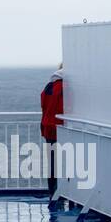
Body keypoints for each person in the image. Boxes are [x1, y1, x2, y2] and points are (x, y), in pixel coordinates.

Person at [39, 64, 64, 203]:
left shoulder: (49, 86)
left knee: (53, 164)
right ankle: (66, 194)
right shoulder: (64, 87)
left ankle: (53, 194)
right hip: (61, 129)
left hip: (49, 129)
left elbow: (44, 105)